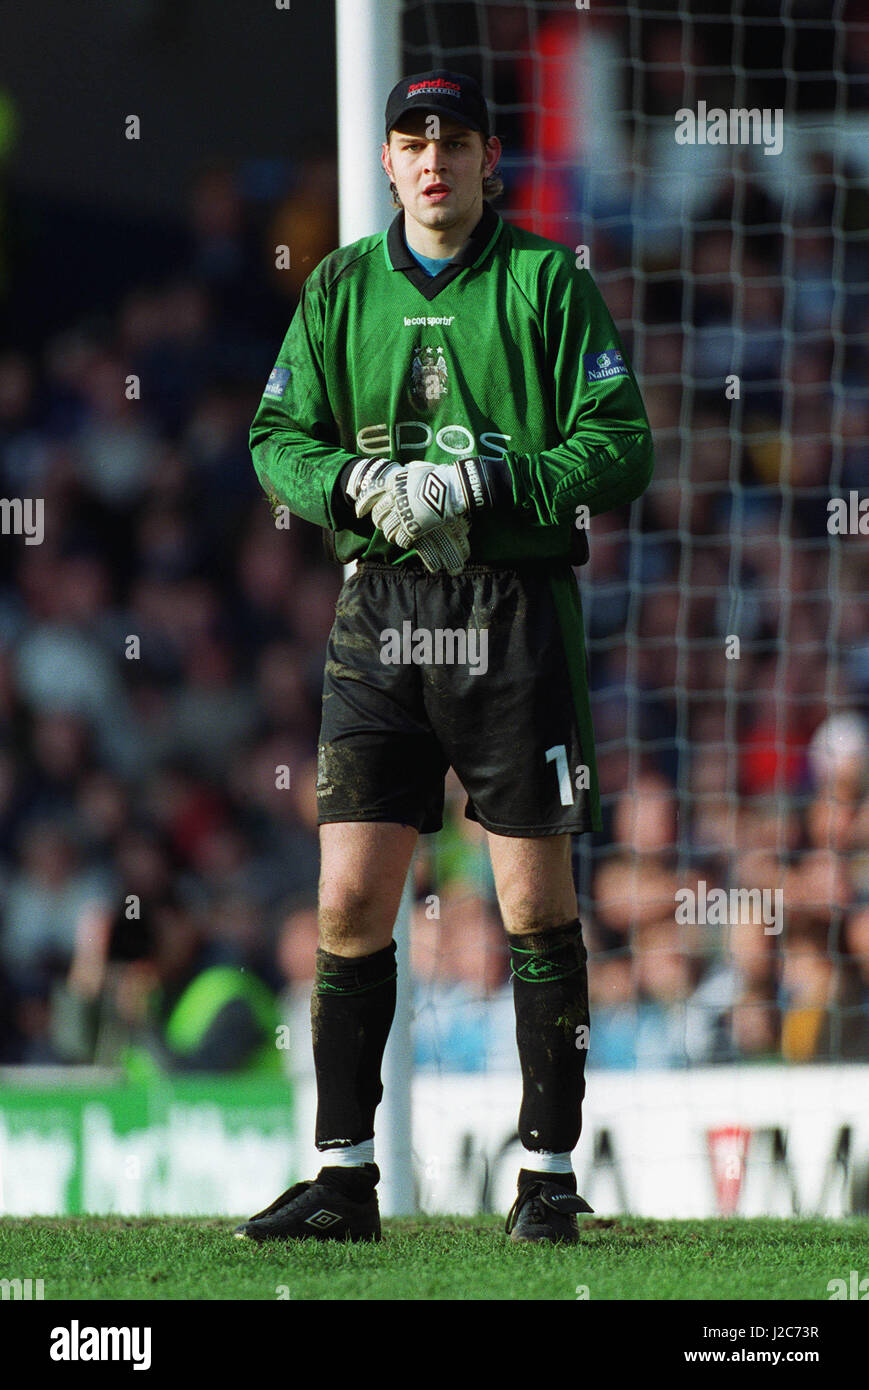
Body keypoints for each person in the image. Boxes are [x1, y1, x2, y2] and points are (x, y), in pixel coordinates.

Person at [237, 69, 653, 1245]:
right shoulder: (336, 288)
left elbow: (621, 445)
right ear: (385, 162)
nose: (432, 160)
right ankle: (342, 1174)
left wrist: (496, 476)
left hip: (512, 609)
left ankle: (547, 1175)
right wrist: (350, 481)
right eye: (411, 141)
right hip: (381, 609)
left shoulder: (543, 282)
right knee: (350, 893)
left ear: (486, 160)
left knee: (532, 902)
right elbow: (276, 437)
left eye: (453, 141)